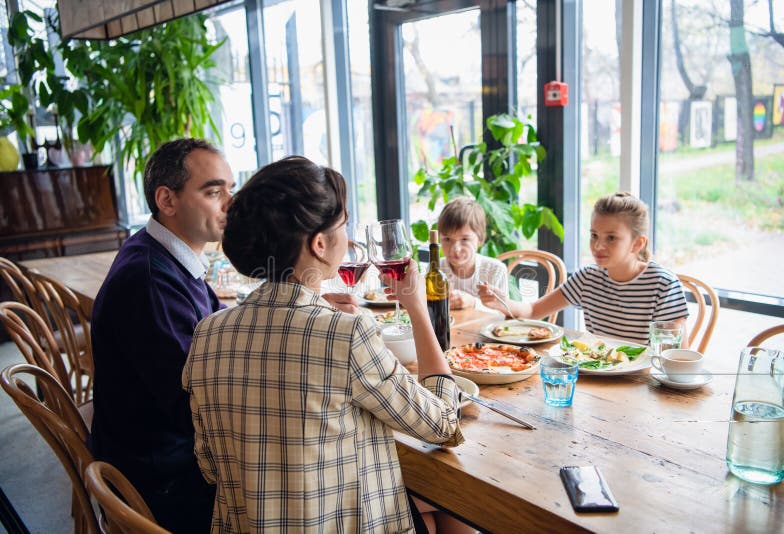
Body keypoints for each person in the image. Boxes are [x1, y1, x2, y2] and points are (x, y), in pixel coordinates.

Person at [183, 156, 464, 532]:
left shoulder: (206, 333)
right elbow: (444, 424)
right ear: (319, 244)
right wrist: (417, 309)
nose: (348, 239)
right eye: (344, 223)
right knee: (459, 513)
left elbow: (209, 465)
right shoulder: (346, 335)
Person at [90, 138, 234, 533]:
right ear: (167, 200)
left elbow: (217, 324)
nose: (229, 203)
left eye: (230, 190)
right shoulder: (151, 282)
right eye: (213, 191)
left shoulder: (161, 253)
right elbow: (193, 408)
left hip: (155, 458)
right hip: (165, 484)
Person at [478, 192, 689, 345]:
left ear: (637, 243)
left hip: (642, 386)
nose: (598, 246)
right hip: (597, 379)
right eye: (594, 235)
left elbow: (674, 356)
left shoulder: (663, 285)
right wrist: (502, 302)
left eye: (611, 238)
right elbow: (533, 311)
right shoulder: (587, 278)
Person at [437, 196, 508, 310]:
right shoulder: (436, 268)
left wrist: (473, 303)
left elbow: (502, 314)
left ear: (480, 239)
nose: (456, 249)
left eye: (465, 239)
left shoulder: (495, 270)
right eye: (447, 239)